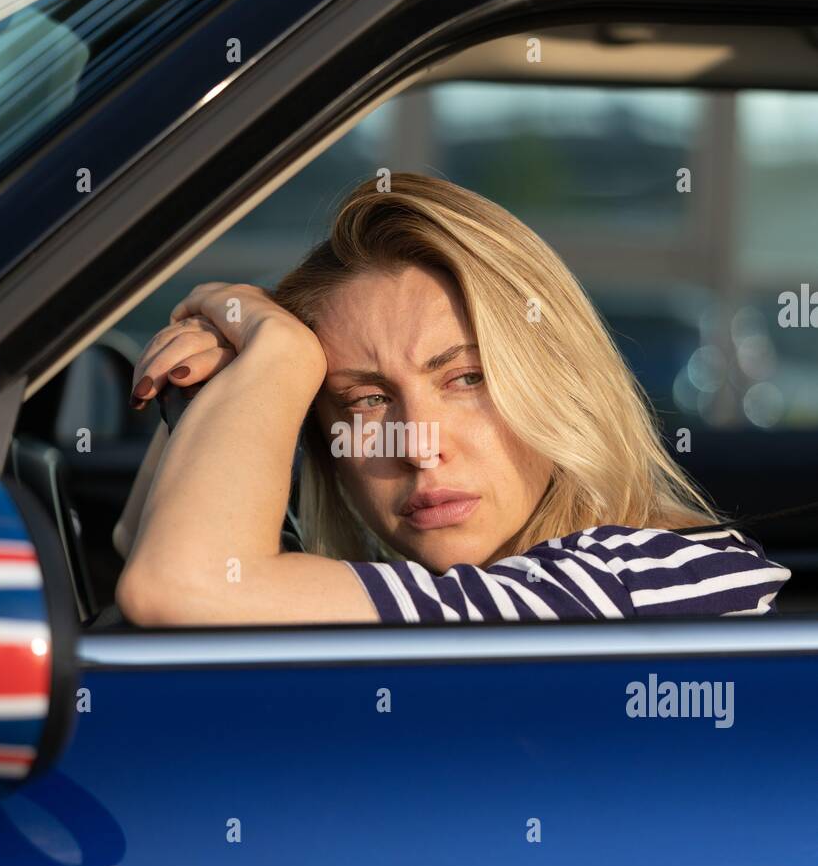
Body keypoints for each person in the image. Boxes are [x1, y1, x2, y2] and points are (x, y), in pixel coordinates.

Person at [115, 173, 790, 625]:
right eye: (366, 401)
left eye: (466, 379)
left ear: (559, 380)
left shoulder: (641, 581)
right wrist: (239, 368)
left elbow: (177, 582)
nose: (420, 445)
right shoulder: (493, 596)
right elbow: (141, 543)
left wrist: (275, 348)